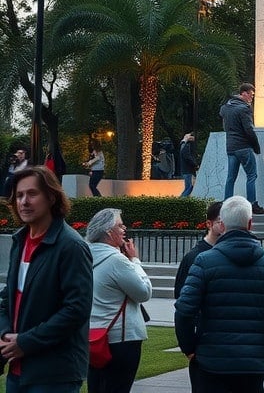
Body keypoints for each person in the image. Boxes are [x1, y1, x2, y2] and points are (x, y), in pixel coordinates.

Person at [174, 195, 264, 393]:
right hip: (251, 363)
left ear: (222, 225)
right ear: (250, 223)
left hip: (211, 360)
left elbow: (184, 310)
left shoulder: (204, 262)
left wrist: (189, 347)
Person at [0, 165, 93, 393]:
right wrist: (5, 336)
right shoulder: (20, 241)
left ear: (51, 197)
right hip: (18, 370)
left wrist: (25, 342)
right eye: (19, 195)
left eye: (32, 194)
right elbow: (7, 299)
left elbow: (76, 310)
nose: (24, 202)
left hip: (54, 374)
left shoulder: (71, 246)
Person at [86, 208, 152, 393]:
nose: (124, 229)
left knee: (97, 386)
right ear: (108, 232)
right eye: (120, 225)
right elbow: (144, 292)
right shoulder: (117, 261)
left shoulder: (84, 256)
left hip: (93, 337)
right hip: (122, 339)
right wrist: (135, 260)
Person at [220, 83, 264, 214]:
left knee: (231, 177)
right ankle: (252, 204)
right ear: (243, 93)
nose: (251, 98)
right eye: (251, 95)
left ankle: (226, 203)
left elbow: (225, 126)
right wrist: (256, 147)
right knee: (251, 175)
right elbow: (249, 129)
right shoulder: (244, 108)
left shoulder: (226, 108)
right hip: (243, 147)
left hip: (231, 147)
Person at [174, 202, 224, 299]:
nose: (224, 227)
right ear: (209, 224)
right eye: (220, 222)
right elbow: (181, 294)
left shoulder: (231, 253)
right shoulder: (193, 257)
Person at [179, 134, 198, 198]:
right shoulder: (186, 146)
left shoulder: (183, 145)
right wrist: (195, 165)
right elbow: (188, 157)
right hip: (188, 171)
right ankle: (180, 200)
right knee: (189, 187)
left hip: (186, 170)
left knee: (189, 187)